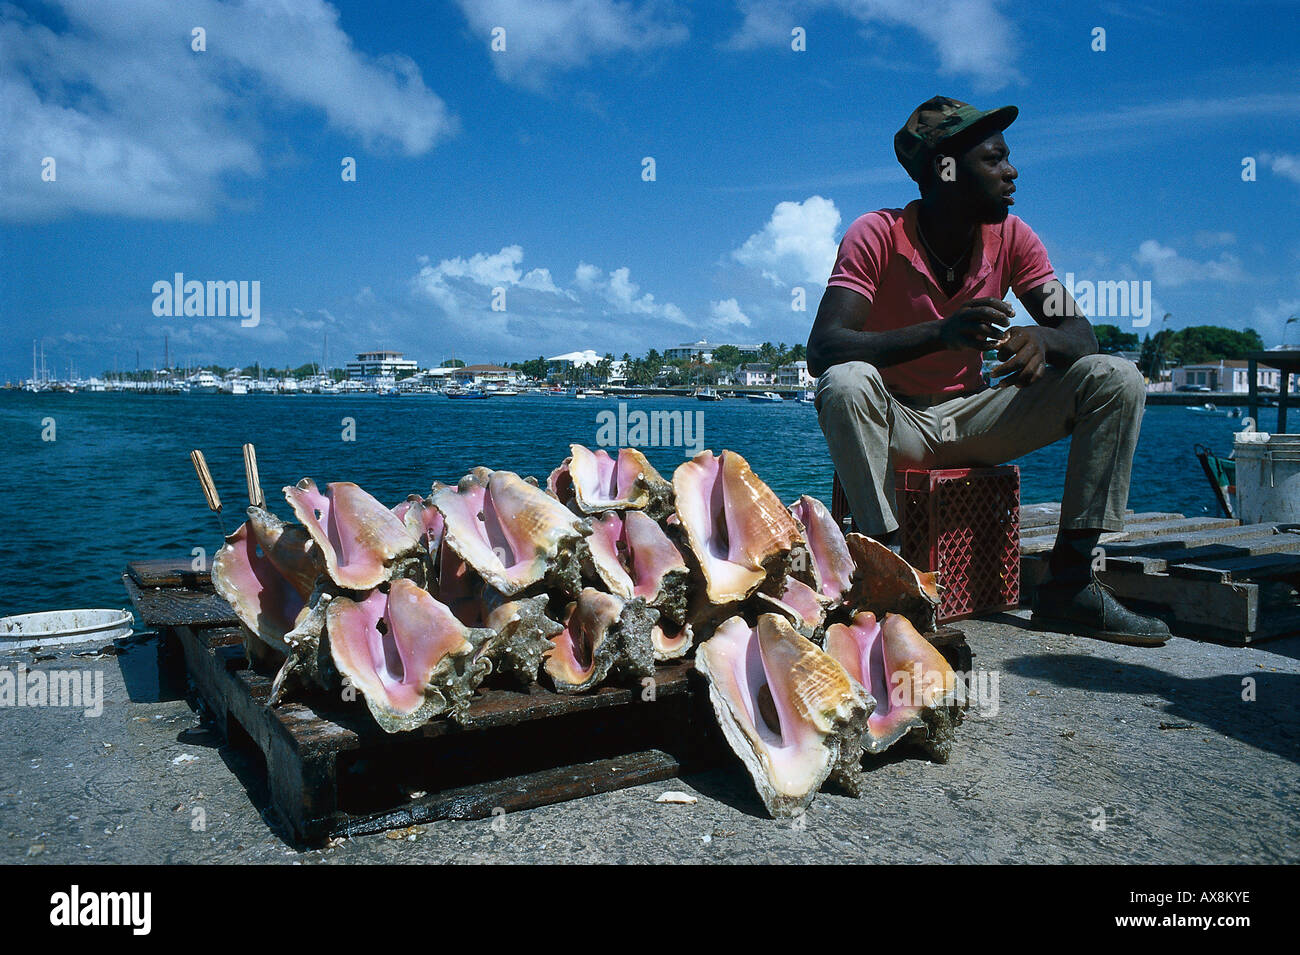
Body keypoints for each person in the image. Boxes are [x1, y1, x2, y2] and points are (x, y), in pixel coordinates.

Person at [807, 96, 1168, 647]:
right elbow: (824, 348)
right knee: (846, 379)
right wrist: (941, 331)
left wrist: (1042, 339)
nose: (1011, 171)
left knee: (1114, 376)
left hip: (973, 422)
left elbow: (1083, 337)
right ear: (943, 171)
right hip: (893, 423)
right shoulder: (876, 233)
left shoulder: (1014, 237)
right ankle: (894, 583)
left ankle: (1069, 583)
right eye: (995, 159)